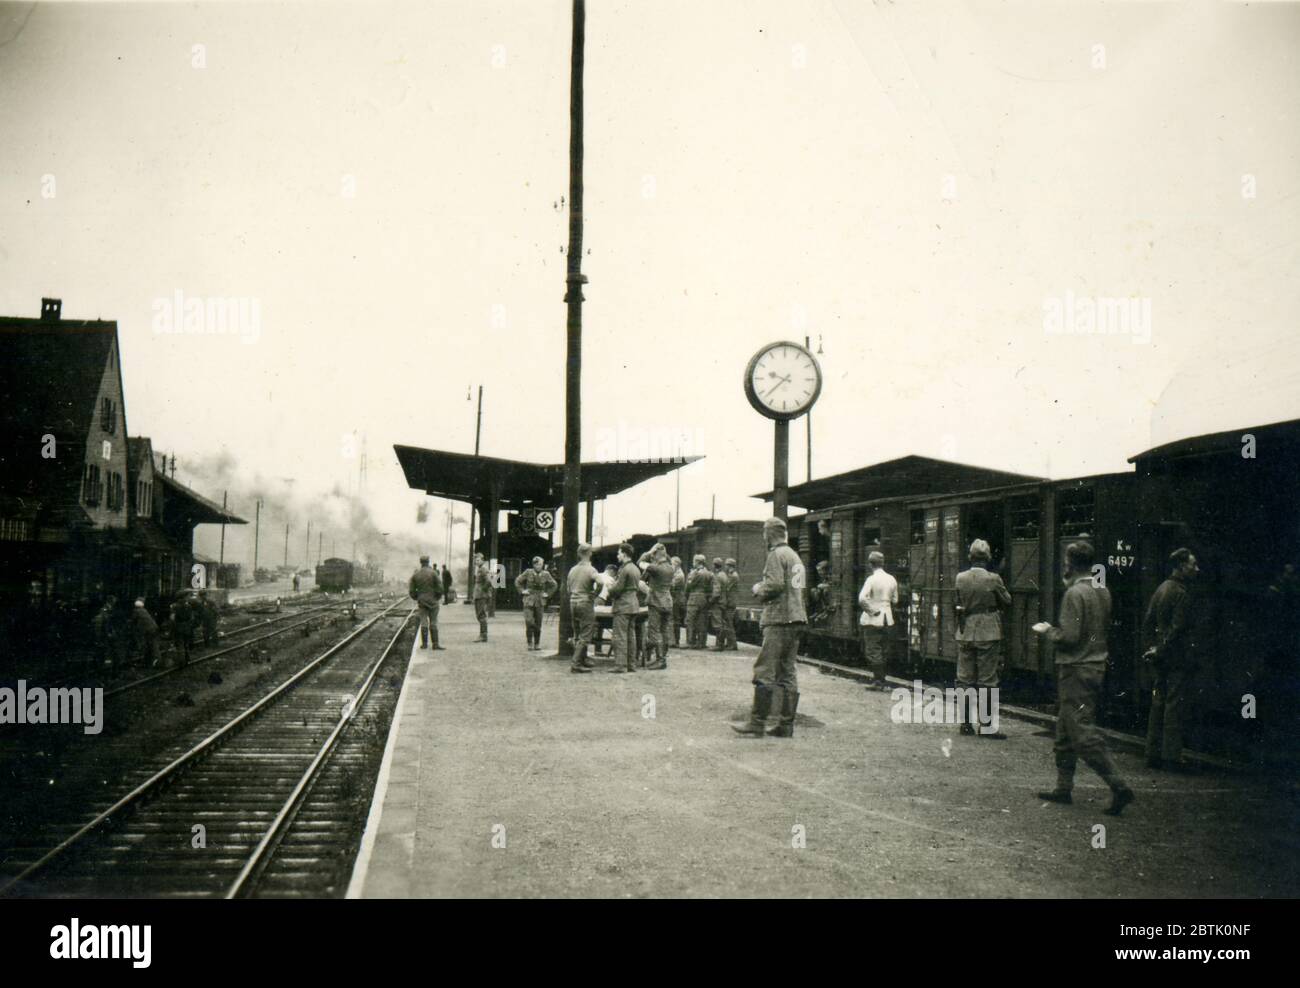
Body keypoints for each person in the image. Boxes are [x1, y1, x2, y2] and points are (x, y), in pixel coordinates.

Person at [1033, 541, 1135, 816]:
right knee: (1065, 728)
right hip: (1095, 665)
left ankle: (1119, 785)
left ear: (1070, 563)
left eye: (1066, 561)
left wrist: (1048, 631)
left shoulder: (1074, 594)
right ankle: (1062, 788)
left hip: (1075, 668)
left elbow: (1069, 637)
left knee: (1080, 731)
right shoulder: (1102, 590)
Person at [733, 517, 807, 738]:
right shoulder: (795, 557)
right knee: (788, 672)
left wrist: (758, 588)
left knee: (765, 669)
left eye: (764, 533)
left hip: (778, 619)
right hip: (796, 618)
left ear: (769, 534)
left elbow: (774, 585)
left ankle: (757, 723)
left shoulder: (776, 554)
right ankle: (785, 725)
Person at [1142, 547, 1199, 771]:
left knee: (1158, 702)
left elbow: (1148, 622)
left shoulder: (1161, 588)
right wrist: (1162, 649)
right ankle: (1171, 756)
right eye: (1193, 564)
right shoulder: (1182, 593)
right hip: (1177, 657)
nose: (1196, 568)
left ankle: (1152, 753)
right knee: (1174, 705)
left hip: (1160, 658)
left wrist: (1152, 649)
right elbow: (1176, 630)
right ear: (1181, 567)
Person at [954, 539, 1011, 738]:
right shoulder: (993, 579)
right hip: (988, 631)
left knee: (964, 679)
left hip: (966, 630)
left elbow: (958, 602)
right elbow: (1007, 600)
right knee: (987, 680)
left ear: (970, 557)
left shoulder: (960, 578)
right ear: (987, 558)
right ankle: (986, 727)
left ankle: (966, 724)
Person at [858, 550, 898, 691]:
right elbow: (895, 599)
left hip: (873, 620)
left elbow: (862, 598)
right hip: (888, 619)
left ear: (870, 564)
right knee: (883, 650)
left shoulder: (871, 579)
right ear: (882, 563)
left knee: (873, 650)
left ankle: (878, 681)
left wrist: (872, 610)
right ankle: (882, 680)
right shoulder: (892, 579)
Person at [638, 543, 675, 670]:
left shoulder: (655, 568)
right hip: (668, 601)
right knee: (664, 631)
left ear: (655, 555)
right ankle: (662, 656)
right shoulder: (671, 567)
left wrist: (649, 551)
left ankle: (660, 660)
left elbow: (640, 562)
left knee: (654, 632)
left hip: (656, 602)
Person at [567, 543, 601, 674]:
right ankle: (576, 664)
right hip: (585, 602)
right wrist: (594, 594)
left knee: (577, 634)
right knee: (586, 634)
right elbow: (601, 583)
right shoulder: (591, 569)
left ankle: (581, 659)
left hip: (573, 602)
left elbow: (568, 588)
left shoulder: (572, 570)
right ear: (589, 553)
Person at [607, 544, 641, 674]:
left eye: (619, 553)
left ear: (625, 554)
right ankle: (631, 664)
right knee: (631, 636)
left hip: (623, 605)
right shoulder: (635, 569)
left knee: (620, 636)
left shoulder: (624, 569)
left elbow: (618, 589)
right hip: (633, 605)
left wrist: (610, 589)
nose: (618, 556)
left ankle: (620, 665)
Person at [515, 556, 558, 651]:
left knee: (538, 623)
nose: (539, 566)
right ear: (534, 564)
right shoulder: (528, 572)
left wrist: (548, 594)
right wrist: (522, 591)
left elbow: (554, 585)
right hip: (529, 599)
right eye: (537, 564)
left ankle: (537, 643)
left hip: (540, 600)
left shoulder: (546, 574)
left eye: (541, 564)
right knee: (529, 621)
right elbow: (518, 581)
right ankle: (529, 642)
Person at [409, 554, 445, 650]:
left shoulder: (416, 574)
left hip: (422, 600)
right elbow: (440, 588)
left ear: (421, 562)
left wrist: (418, 597)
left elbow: (411, 591)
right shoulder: (433, 573)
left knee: (423, 621)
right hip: (433, 600)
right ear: (428, 562)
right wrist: (437, 597)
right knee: (433, 622)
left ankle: (424, 644)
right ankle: (435, 644)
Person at [685, 554, 713, 649]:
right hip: (704, 599)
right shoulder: (709, 573)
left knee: (690, 620)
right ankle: (702, 643)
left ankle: (691, 642)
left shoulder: (696, 573)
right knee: (702, 621)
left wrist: (689, 576)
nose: (693, 563)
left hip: (694, 598)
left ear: (697, 562)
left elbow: (688, 586)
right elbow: (710, 588)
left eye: (694, 561)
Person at [713, 558, 738, 651]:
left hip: (730, 602)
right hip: (729, 601)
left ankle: (733, 644)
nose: (726, 567)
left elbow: (727, 588)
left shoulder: (733, 576)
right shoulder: (730, 575)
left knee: (729, 624)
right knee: (728, 623)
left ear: (730, 566)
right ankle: (730, 643)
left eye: (727, 565)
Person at [91, 595, 122, 669]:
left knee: (109, 653)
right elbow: (104, 625)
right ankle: (106, 670)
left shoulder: (108, 611)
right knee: (107, 654)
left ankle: (108, 668)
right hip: (105, 636)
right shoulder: (105, 611)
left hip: (108, 635)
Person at [131, 598, 162, 668]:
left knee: (148, 645)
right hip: (154, 628)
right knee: (153, 644)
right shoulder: (144, 610)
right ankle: (154, 661)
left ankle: (155, 662)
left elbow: (133, 621)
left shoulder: (136, 611)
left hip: (147, 630)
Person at [170, 592, 196, 666]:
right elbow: (192, 618)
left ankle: (181, 662)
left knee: (180, 644)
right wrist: (189, 625)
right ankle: (187, 659)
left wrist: (173, 627)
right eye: (186, 597)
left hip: (178, 627)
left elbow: (172, 618)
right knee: (186, 644)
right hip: (187, 627)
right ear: (183, 598)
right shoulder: (189, 606)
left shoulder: (174, 606)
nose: (187, 598)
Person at [471, 552, 493, 642]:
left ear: (482, 560)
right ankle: (483, 635)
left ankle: (483, 635)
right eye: (476, 560)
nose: (477, 562)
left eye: (478, 560)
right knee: (480, 615)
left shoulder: (483, 569)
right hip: (479, 595)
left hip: (481, 596)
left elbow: (488, 581)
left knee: (481, 615)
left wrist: (483, 590)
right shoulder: (480, 569)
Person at [670, 556, 686, 647]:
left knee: (676, 620)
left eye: (672, 564)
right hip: (675, 599)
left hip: (677, 600)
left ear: (676, 564)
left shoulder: (679, 575)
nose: (671, 566)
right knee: (674, 620)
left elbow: (672, 585)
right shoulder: (676, 573)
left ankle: (676, 641)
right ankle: (673, 640)